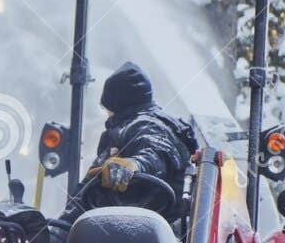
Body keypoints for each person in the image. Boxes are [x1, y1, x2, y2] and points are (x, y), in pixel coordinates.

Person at [67, 62, 196, 222]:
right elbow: (85, 193)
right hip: (127, 226)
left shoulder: (145, 124)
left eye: (107, 108)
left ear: (117, 104)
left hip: (144, 232)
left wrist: (133, 165)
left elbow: (154, 151)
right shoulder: (126, 131)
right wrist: (58, 232)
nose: (107, 114)